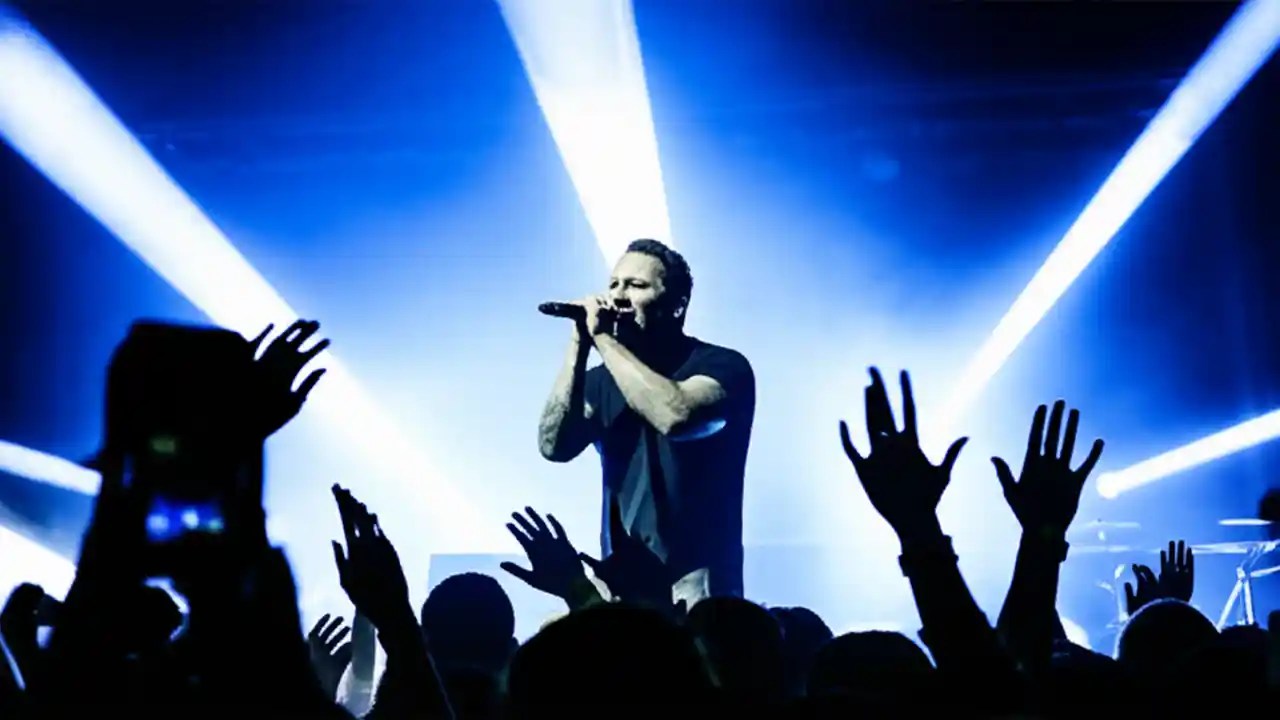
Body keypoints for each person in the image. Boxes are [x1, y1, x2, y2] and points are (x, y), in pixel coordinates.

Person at [537, 239, 755, 603]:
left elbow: (677, 417)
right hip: (621, 582)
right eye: (614, 284)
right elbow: (553, 447)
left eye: (636, 285)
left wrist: (603, 338)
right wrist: (579, 346)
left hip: (696, 586)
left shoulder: (721, 366)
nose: (618, 296)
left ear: (677, 305)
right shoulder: (599, 381)